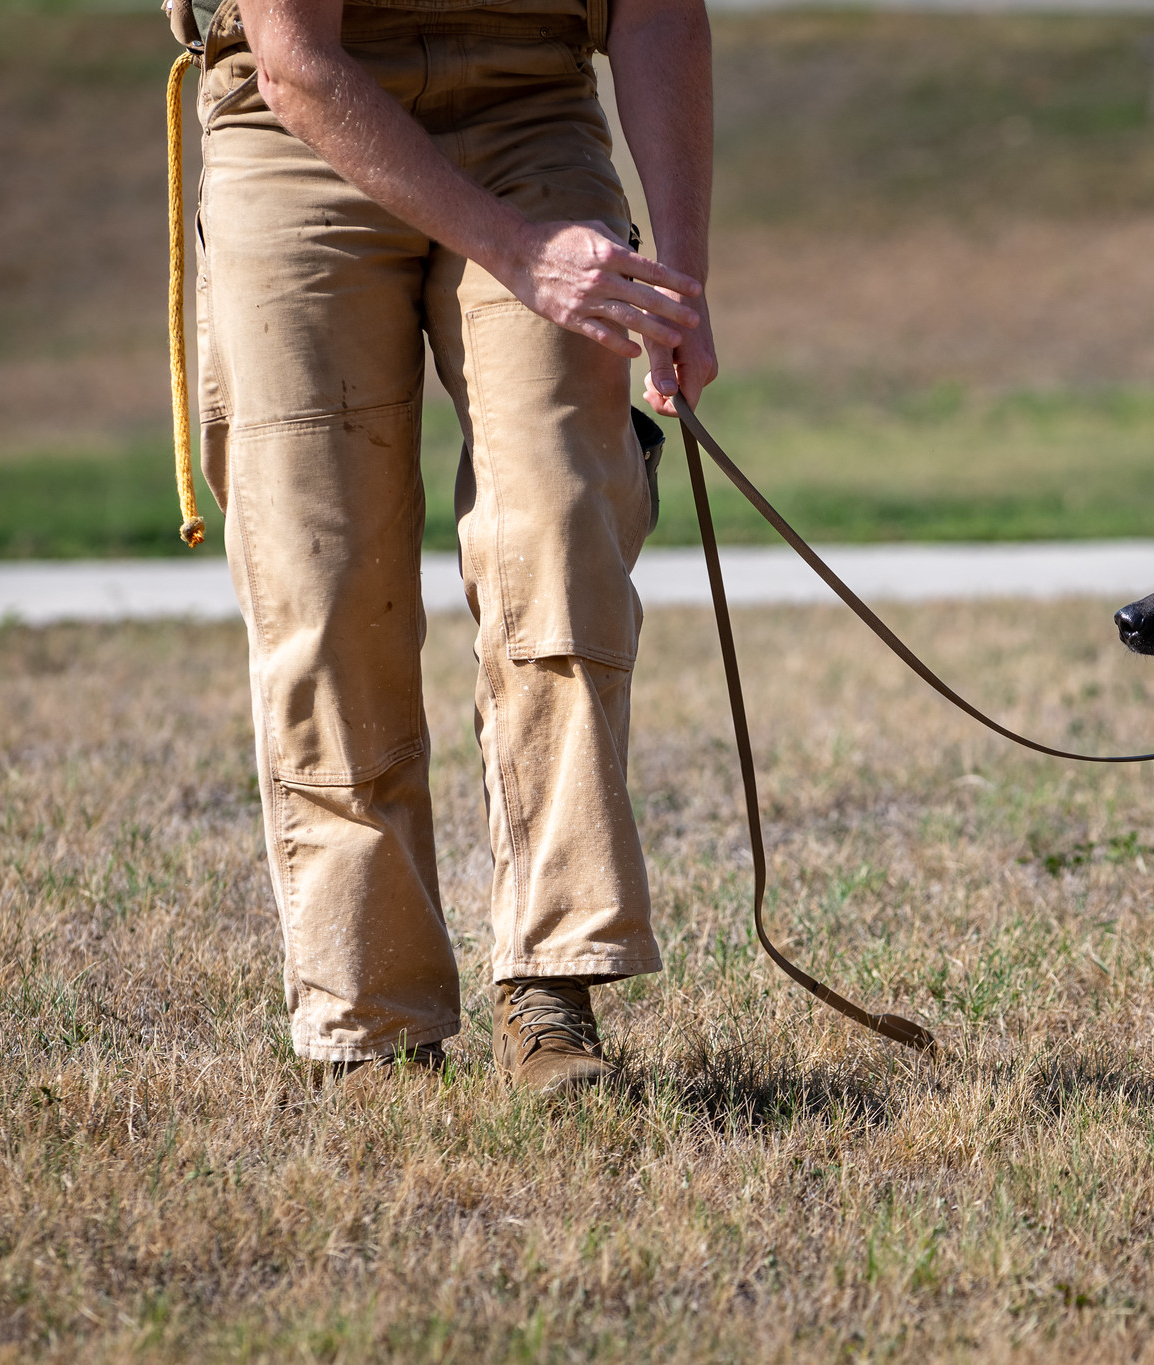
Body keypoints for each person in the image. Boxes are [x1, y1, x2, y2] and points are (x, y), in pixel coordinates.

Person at [174, 0, 716, 1093]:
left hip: (530, 107)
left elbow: (658, 11)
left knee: (561, 526)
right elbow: (298, 63)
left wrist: (678, 285)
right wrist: (519, 254)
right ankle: (372, 1018)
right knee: (322, 581)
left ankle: (551, 986)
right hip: (301, 128)